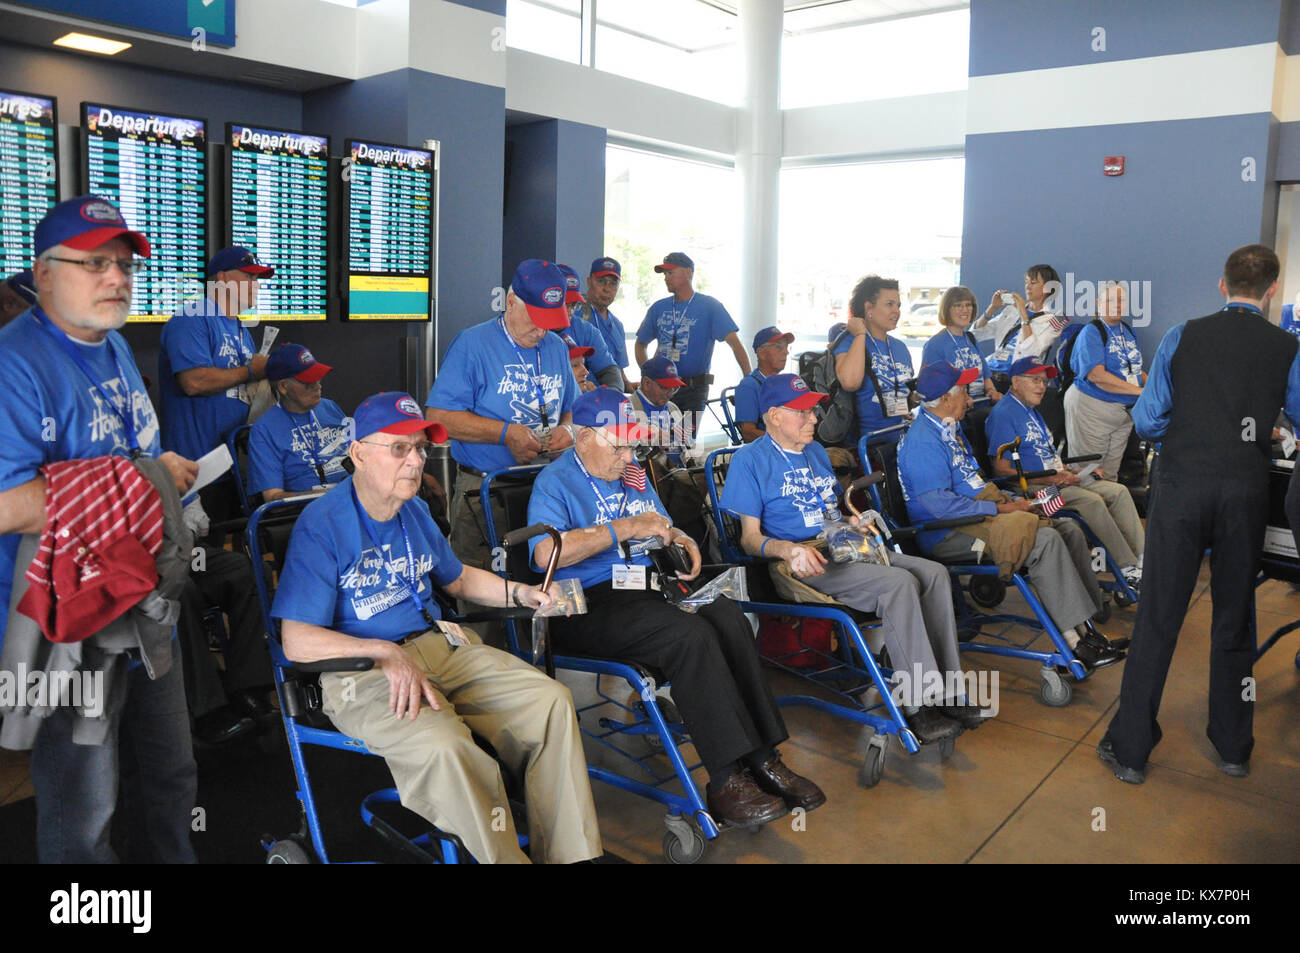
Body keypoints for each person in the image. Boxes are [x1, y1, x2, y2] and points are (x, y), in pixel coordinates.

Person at [272, 391, 602, 864]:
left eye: (421, 448)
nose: (415, 460)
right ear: (358, 453)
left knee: (551, 701)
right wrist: (384, 653)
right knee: (446, 745)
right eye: (399, 448)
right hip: (361, 670)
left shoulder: (414, 511)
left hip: (436, 645)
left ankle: (568, 855)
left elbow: (459, 577)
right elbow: (296, 640)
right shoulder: (321, 524)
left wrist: (521, 594)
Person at [0, 195, 200, 862]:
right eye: (94, 263)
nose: (116, 277)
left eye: (123, 264)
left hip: (144, 602)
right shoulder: (14, 362)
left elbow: (133, 455)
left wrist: (156, 473)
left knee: (170, 770)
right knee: (84, 800)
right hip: (66, 621)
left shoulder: (112, 344)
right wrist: (148, 481)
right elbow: (4, 503)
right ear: (44, 272)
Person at [529, 387, 824, 827]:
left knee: (727, 616)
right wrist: (625, 527)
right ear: (584, 437)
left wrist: (684, 541)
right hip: (587, 601)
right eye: (620, 443)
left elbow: (663, 524)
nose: (630, 455)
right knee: (689, 635)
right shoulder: (556, 481)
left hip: (648, 584)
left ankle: (764, 757)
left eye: (634, 443)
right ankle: (725, 778)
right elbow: (544, 555)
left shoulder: (632, 473)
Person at [1100, 244, 1300, 784]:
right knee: (1235, 619)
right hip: (1244, 491)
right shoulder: (1288, 346)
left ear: (1221, 285)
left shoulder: (1180, 336)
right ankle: (1234, 745)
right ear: (1272, 290)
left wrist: (1194, 431)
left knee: (1160, 615)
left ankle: (1132, 749)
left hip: (1183, 486)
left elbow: (1147, 420)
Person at [721, 374, 991, 740]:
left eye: (813, 411)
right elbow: (750, 539)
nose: (814, 419)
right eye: (802, 412)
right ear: (773, 416)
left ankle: (947, 691)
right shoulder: (750, 461)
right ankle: (918, 703)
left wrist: (852, 520)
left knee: (934, 574)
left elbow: (830, 511)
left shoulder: (815, 452)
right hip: (800, 561)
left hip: (842, 546)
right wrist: (788, 548)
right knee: (899, 583)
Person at [896, 362, 1124, 671]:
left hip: (979, 515)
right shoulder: (923, 441)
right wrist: (1001, 508)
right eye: (963, 390)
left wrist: (1015, 501)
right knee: (1044, 540)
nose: (969, 397)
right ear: (947, 399)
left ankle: (1090, 629)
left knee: (1067, 527)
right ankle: (1074, 642)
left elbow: (974, 484)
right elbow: (941, 506)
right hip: (948, 532)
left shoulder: (949, 428)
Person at [424, 259, 578, 576]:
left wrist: (569, 430)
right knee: (488, 590)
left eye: (550, 321)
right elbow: (439, 417)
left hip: (545, 488)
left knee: (542, 582)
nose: (542, 329)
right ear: (510, 302)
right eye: (535, 318)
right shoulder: (472, 344)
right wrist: (506, 434)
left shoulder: (556, 348)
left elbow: (574, 408)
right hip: (486, 492)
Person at [985, 358, 1144, 589]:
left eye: (1044, 381)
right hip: (1033, 493)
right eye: (1036, 380)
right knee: (1091, 501)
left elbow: (1048, 457)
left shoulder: (1031, 411)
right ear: (1016, 382)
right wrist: (1052, 478)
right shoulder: (1004, 415)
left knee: (1118, 491)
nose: (1042, 386)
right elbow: (1001, 470)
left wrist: (1073, 471)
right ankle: (1128, 567)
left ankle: (1144, 559)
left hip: (1059, 480)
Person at [158, 245, 276, 529]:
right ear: (222, 278)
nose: (255, 285)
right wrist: (251, 371)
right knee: (198, 561)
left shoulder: (241, 329)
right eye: (249, 277)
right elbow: (194, 382)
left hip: (230, 465)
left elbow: (242, 392)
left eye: (258, 279)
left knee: (231, 556)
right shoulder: (194, 317)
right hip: (194, 467)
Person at [634, 252, 750, 437]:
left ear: (688, 272)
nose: (666, 278)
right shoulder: (658, 308)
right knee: (653, 439)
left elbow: (735, 344)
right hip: (659, 388)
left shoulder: (709, 306)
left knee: (684, 441)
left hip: (693, 388)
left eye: (670, 272)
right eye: (664, 274)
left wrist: (748, 379)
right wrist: (648, 374)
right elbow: (640, 344)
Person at [247, 343, 351, 501]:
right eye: (308, 382)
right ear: (283, 387)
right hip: (309, 509)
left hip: (353, 496)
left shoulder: (329, 407)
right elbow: (273, 497)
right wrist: (330, 496)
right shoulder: (264, 430)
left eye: (318, 378)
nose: (318, 386)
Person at [1063, 281, 1146, 477]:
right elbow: (1097, 376)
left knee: (1109, 475)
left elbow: (1134, 369)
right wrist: (1141, 392)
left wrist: (1152, 387)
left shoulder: (1127, 330)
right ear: (1098, 303)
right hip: (1092, 410)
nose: (1117, 304)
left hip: (1122, 415)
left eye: (1121, 300)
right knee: (1089, 475)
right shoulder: (1091, 332)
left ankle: (1109, 508)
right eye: (1111, 300)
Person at [834, 275, 914, 439]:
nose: (896, 311)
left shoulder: (900, 347)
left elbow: (902, 397)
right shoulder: (849, 340)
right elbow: (850, 382)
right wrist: (860, 334)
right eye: (889, 304)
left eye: (898, 305)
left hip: (898, 439)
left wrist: (916, 399)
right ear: (868, 307)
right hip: (864, 446)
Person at [971, 263, 1069, 384]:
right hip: (989, 372)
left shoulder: (1054, 320)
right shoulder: (1012, 310)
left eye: (1033, 283)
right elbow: (976, 335)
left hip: (1017, 379)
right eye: (1026, 282)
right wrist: (992, 309)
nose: (1027, 287)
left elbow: (1032, 352)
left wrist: (1023, 313)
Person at [921, 286, 998, 404]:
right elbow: (929, 388)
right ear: (947, 309)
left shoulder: (971, 339)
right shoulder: (935, 344)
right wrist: (961, 398)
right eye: (958, 305)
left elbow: (986, 376)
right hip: (954, 414)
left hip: (979, 411)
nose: (965, 310)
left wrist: (991, 390)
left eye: (968, 305)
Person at [573, 256, 632, 392]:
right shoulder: (576, 316)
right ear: (589, 281)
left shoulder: (617, 325)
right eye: (601, 281)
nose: (607, 289)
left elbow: (619, 371)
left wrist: (633, 390)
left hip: (608, 400)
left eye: (613, 283)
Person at [557, 264, 620, 389]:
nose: (569, 312)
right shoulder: (532, 332)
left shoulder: (586, 330)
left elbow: (611, 372)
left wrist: (605, 397)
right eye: (565, 304)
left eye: (573, 305)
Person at [733, 325, 794, 442]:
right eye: (779, 347)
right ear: (761, 353)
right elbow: (748, 433)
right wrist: (786, 441)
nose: (786, 352)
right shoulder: (749, 386)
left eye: (787, 347)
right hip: (770, 452)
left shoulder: (784, 383)